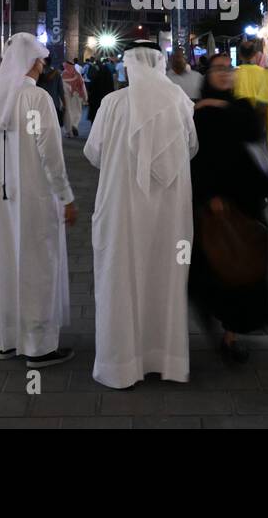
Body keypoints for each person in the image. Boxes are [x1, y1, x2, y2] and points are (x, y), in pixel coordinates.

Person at [84, 41, 198, 389]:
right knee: (165, 277)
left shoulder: (112, 103)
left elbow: (94, 153)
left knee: (121, 275)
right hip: (169, 212)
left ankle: (121, 364)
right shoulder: (179, 101)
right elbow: (192, 148)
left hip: (122, 209)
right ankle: (166, 360)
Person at [0, 33, 79, 369]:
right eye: (41, 58)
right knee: (37, 262)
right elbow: (50, 153)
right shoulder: (35, 99)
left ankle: (6, 339)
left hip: (2, 199)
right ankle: (38, 346)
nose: (44, 63)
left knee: (6, 261)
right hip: (34, 195)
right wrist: (65, 196)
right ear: (33, 61)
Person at [190, 54, 268, 362]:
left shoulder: (241, 107)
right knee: (210, 267)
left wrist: (222, 105)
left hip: (244, 201)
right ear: (207, 74)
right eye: (218, 69)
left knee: (239, 266)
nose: (225, 74)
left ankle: (231, 333)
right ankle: (218, 321)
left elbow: (253, 131)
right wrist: (209, 195)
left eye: (229, 69)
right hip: (211, 202)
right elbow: (193, 157)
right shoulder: (196, 110)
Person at [233, 40, 268, 128]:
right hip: (259, 117)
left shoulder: (233, 73)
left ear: (240, 56)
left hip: (239, 117)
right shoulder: (265, 73)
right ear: (254, 54)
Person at [61, 60, 87, 137]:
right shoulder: (77, 74)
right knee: (77, 111)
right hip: (77, 96)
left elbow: (61, 87)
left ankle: (69, 131)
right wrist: (85, 97)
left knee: (68, 112)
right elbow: (82, 86)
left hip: (67, 97)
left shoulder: (63, 75)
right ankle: (75, 125)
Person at [86, 56, 114, 125]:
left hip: (95, 99)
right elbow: (111, 87)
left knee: (95, 117)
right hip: (105, 98)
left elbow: (91, 86)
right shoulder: (107, 73)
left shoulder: (96, 76)